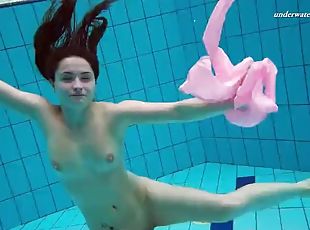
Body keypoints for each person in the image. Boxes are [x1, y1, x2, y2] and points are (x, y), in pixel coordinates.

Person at [0, 1, 309, 230]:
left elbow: (177, 112)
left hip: (145, 202)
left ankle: (302, 187)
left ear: (95, 82)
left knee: (225, 206)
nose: (77, 85)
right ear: (52, 82)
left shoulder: (114, 115)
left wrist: (230, 103)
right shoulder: (43, 114)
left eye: (86, 77)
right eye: (67, 78)